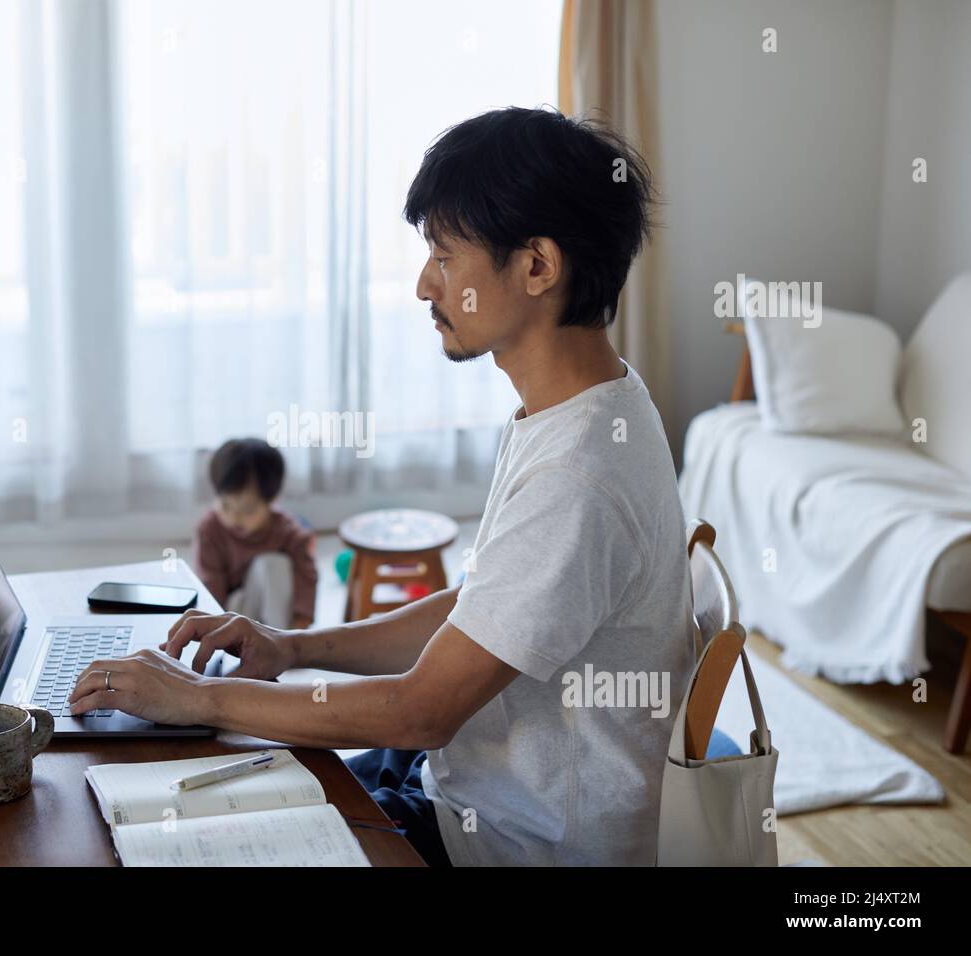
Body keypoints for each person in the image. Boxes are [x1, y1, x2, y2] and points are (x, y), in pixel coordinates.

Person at [70, 106, 694, 866]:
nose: (424, 284)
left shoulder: (579, 475)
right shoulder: (587, 410)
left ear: (536, 266)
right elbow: (479, 610)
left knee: (181, 814)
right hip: (467, 785)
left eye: (443, 254)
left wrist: (196, 696)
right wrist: (292, 646)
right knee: (183, 793)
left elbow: (422, 709)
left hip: (509, 843)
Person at [193, 438, 317, 630]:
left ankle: (281, 643)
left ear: (272, 500)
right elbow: (209, 582)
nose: (235, 517)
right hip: (233, 617)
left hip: (276, 623)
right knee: (234, 600)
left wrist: (300, 623)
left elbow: (306, 576)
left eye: (248, 510)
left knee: (273, 565)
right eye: (226, 506)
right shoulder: (210, 528)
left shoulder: (287, 531)